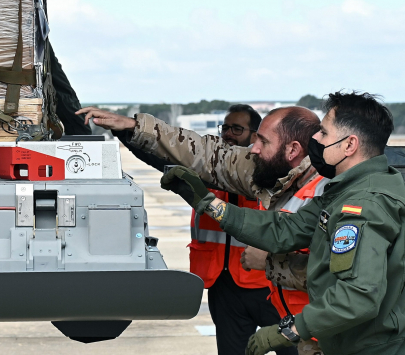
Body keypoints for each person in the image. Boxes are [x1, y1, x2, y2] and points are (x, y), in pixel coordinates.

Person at [161, 92, 405, 355]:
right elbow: (285, 229)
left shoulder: (363, 206)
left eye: (323, 133)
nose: (315, 139)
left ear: (350, 145)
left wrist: (291, 329)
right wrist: (210, 204)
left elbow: (358, 297)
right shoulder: (348, 190)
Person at [80, 104, 322, 355]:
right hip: (227, 282)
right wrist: (133, 127)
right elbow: (203, 153)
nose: (254, 148)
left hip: (281, 298)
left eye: (259, 139)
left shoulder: (321, 189)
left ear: (292, 149)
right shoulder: (267, 170)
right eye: (225, 127)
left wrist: (271, 263)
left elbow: (346, 279)